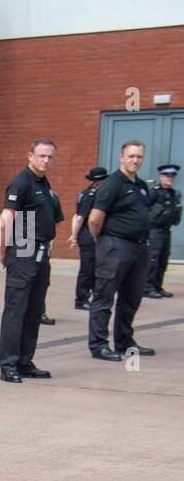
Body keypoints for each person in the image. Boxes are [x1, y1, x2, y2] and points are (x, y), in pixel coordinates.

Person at [0, 139, 63, 383]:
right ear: (30, 156)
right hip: (22, 252)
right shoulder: (21, 183)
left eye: (50, 157)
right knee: (16, 311)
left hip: (41, 253)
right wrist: (3, 252)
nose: (45, 160)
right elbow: (5, 221)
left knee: (34, 311)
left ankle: (25, 361)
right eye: (41, 156)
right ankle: (9, 365)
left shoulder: (44, 184)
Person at [88, 140, 155, 361]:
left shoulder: (142, 186)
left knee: (131, 297)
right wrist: (104, 241)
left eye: (139, 157)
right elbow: (95, 218)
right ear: (121, 157)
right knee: (104, 296)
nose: (135, 160)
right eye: (131, 156)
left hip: (139, 248)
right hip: (115, 245)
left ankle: (124, 341)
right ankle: (98, 345)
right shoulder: (112, 184)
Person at [69, 167, 107, 310]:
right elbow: (79, 217)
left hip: (91, 235)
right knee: (87, 269)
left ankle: (91, 296)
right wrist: (74, 236)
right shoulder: (92, 195)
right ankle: (81, 299)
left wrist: (74, 235)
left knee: (95, 268)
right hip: (89, 236)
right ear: (98, 182)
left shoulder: (84, 193)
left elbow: (76, 215)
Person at [145, 163, 179, 298]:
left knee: (163, 260)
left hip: (166, 231)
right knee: (153, 259)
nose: (170, 179)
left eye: (172, 176)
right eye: (167, 176)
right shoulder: (154, 192)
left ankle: (157, 286)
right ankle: (147, 287)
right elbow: (144, 210)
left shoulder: (173, 194)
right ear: (161, 177)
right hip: (154, 230)